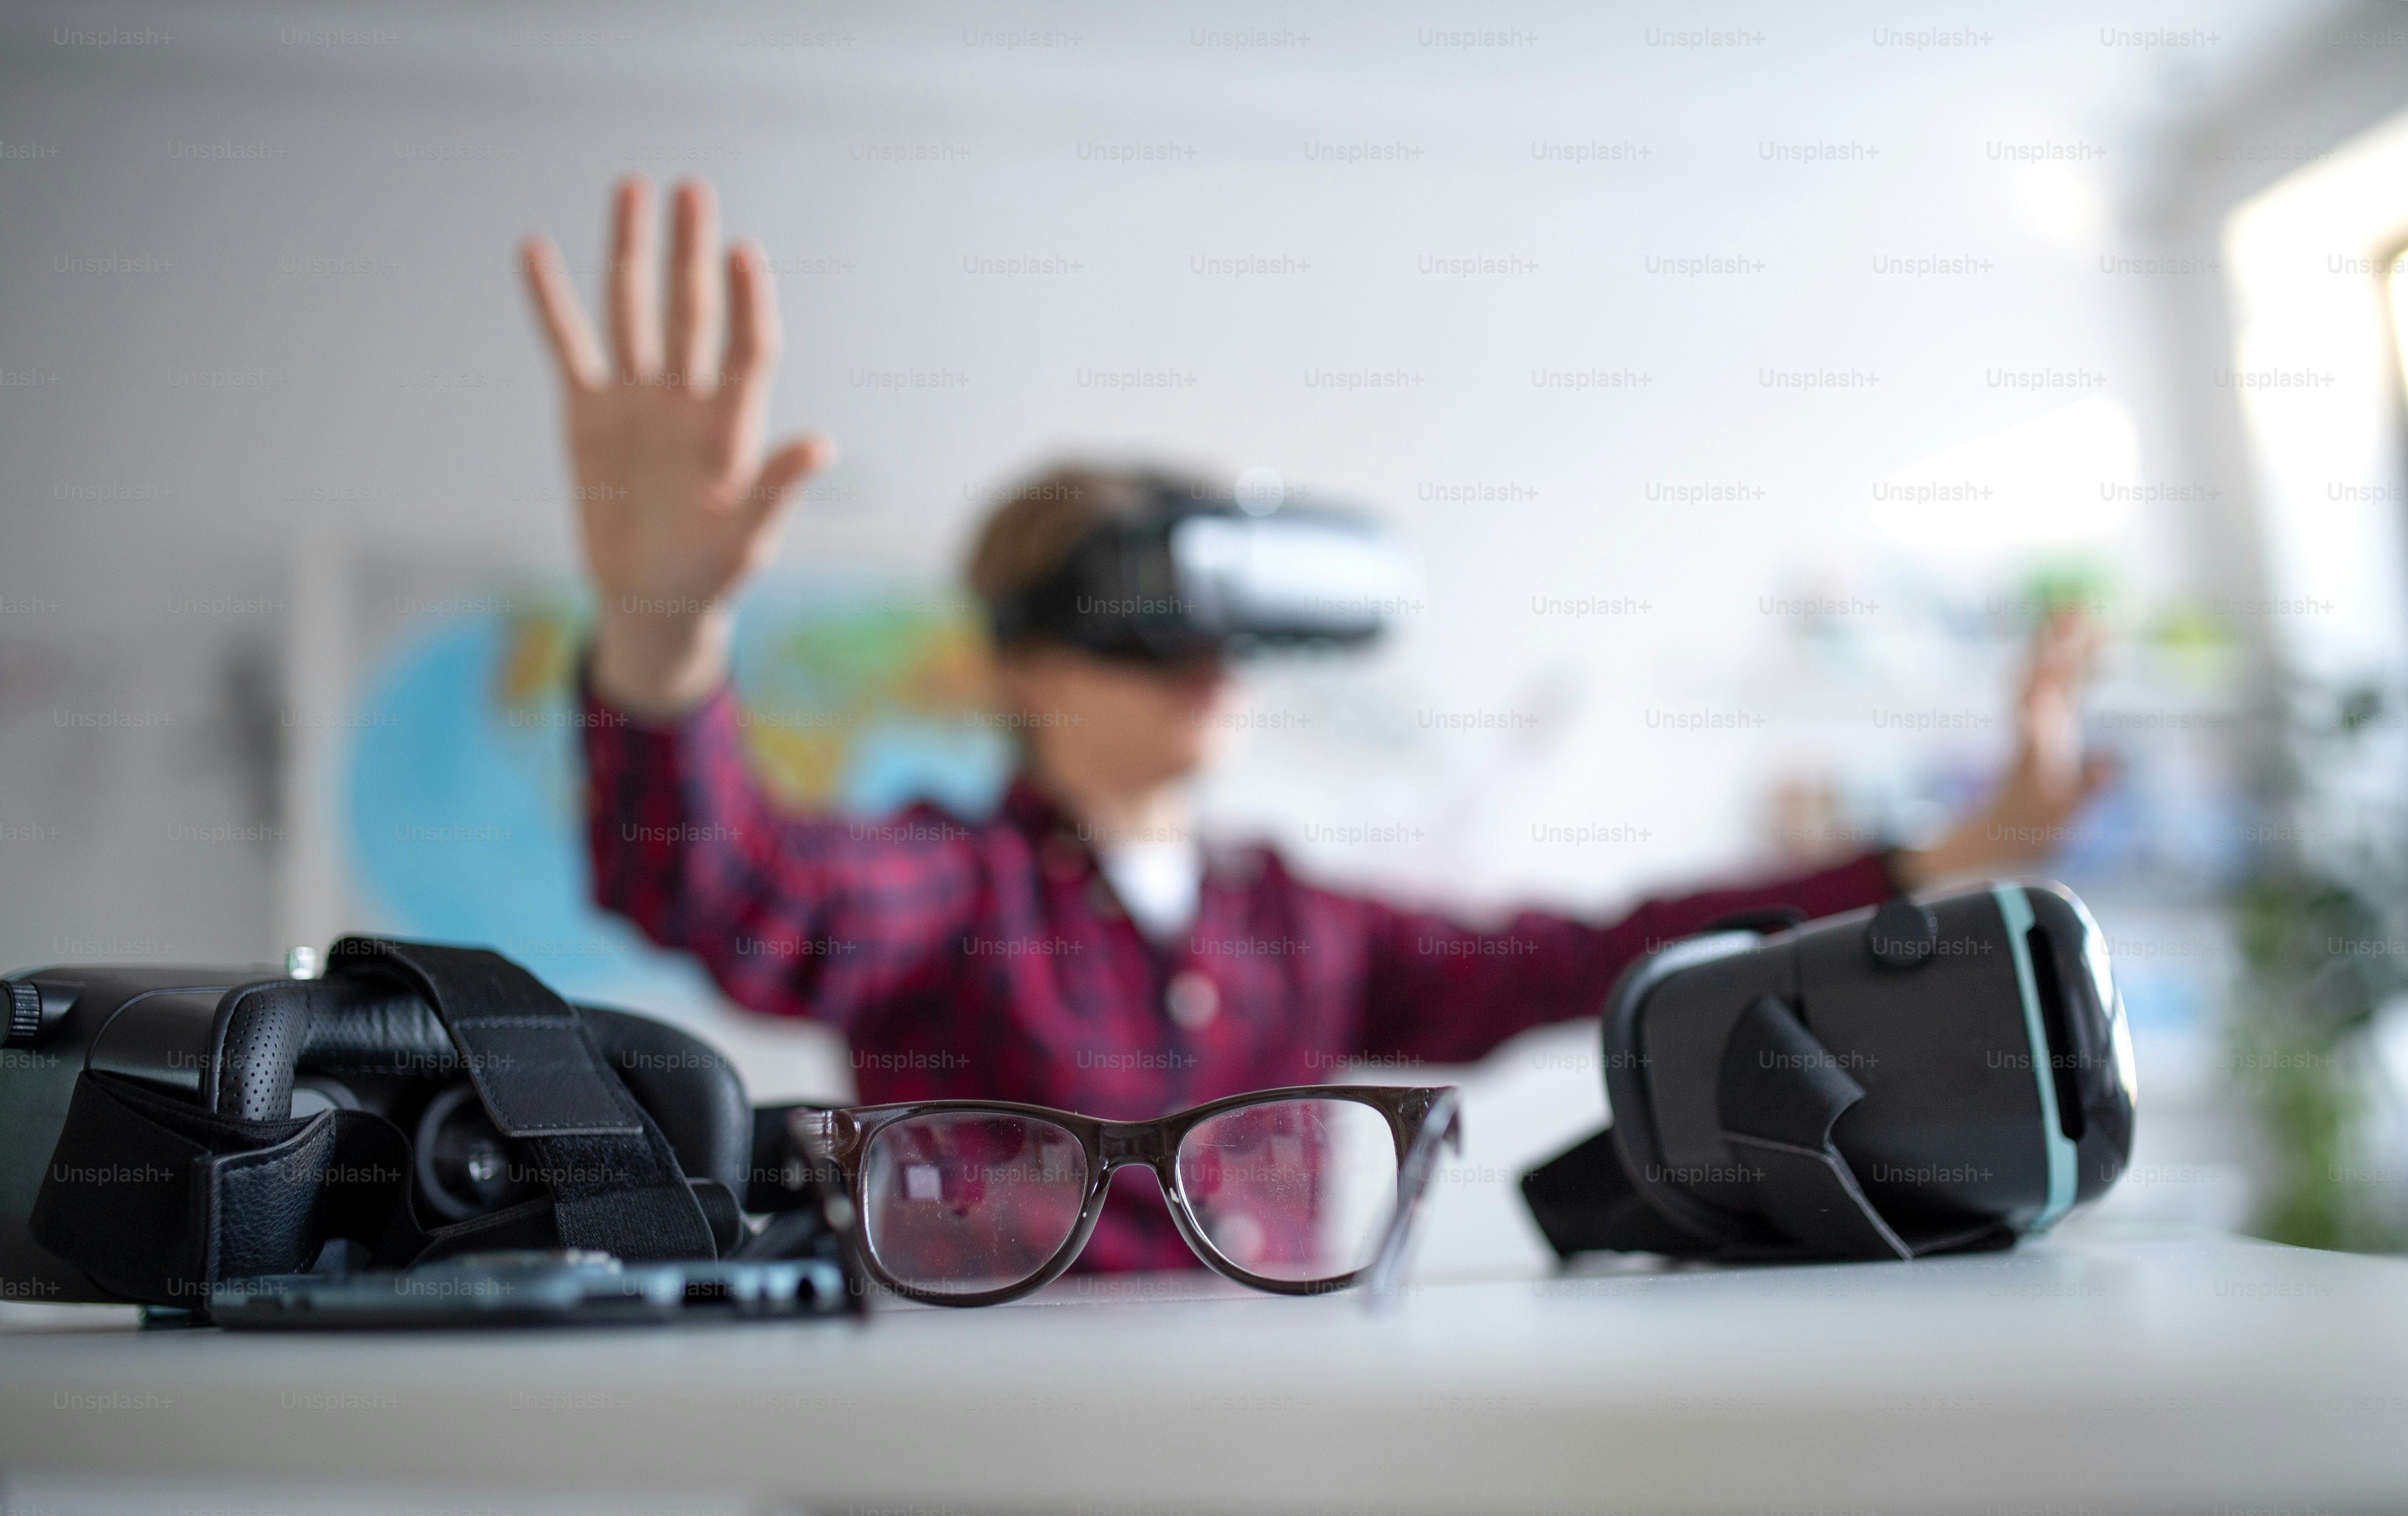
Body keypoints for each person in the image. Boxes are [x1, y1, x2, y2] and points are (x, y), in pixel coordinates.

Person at [518, 178, 2108, 1272]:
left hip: (1280, 1448)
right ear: (1026, 666)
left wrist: (1929, 860)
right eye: (1146, 628)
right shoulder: (953, 893)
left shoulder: (1297, 920)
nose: (1208, 664)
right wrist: (663, 640)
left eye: (1224, 628)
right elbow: (735, 888)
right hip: (976, 1461)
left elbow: (1584, 955)